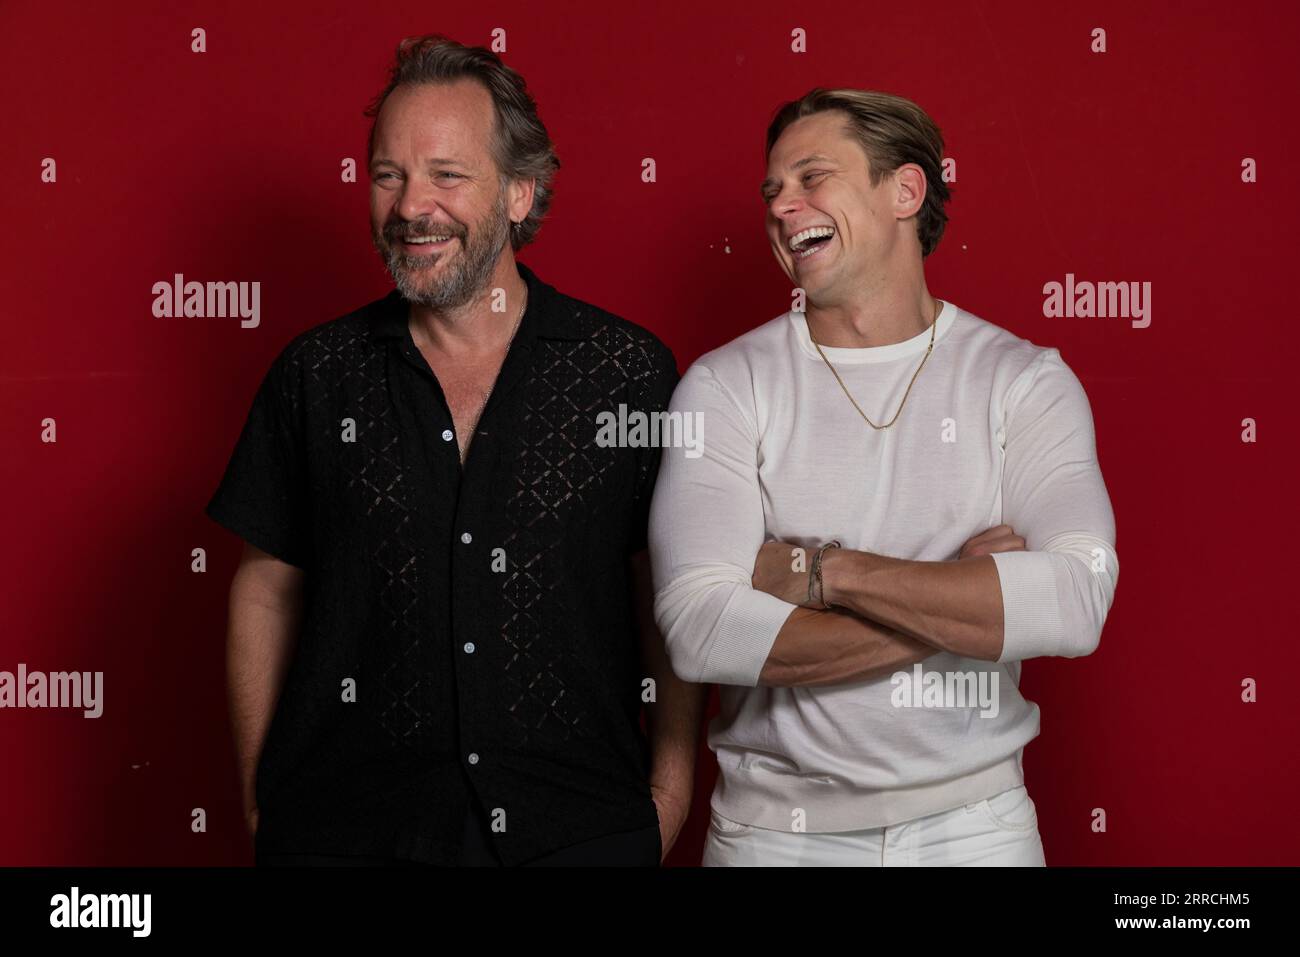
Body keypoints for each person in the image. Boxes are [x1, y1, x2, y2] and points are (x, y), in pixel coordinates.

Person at [206, 34, 701, 867]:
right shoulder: (316, 374)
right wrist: (264, 797)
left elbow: (667, 585)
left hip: (575, 828)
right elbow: (265, 588)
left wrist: (673, 789)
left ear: (519, 192)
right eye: (388, 174)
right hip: (346, 832)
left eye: (446, 174)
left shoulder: (626, 372)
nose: (411, 206)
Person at [648, 88, 1120, 866]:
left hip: (978, 830)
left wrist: (827, 573)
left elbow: (1074, 600)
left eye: (812, 177)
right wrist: (963, 596)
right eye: (772, 190)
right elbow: (701, 632)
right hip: (774, 836)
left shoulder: (1024, 381)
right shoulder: (724, 386)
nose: (782, 206)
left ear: (905, 191)